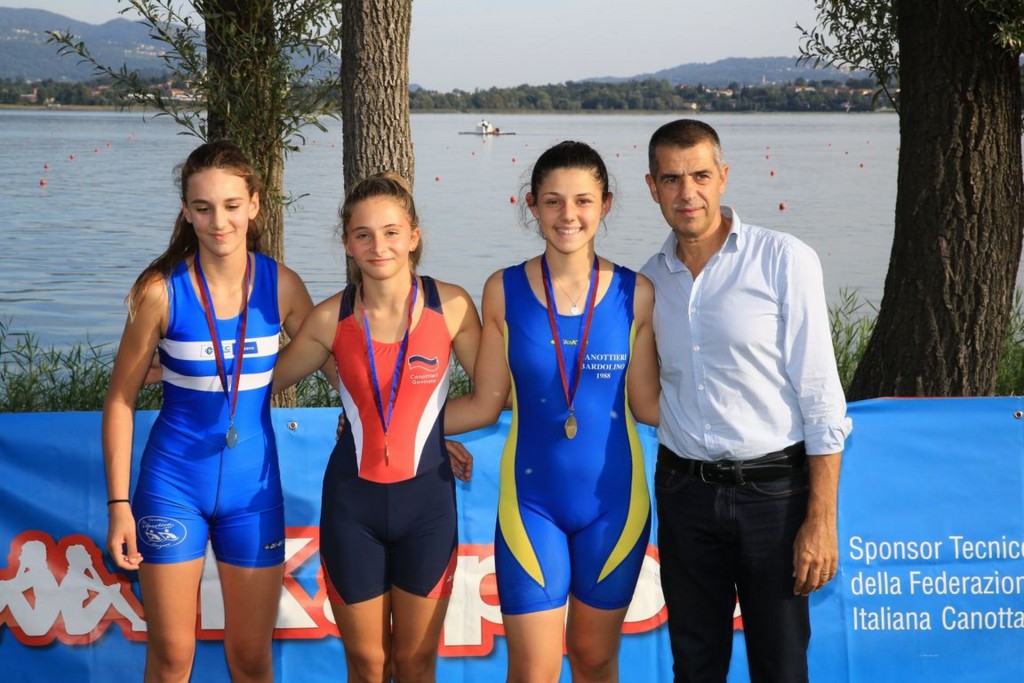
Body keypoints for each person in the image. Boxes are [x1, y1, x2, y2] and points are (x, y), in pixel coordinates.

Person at [102, 140, 324, 682]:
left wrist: (426, 434)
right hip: (172, 486)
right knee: (172, 657)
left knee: (250, 658)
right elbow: (120, 400)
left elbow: (345, 371)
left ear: (254, 205)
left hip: (253, 493)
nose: (217, 220)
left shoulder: (283, 286)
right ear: (186, 212)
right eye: (202, 208)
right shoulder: (161, 292)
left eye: (230, 205)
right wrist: (118, 505)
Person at [640, 118, 852, 683]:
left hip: (775, 497)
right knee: (695, 666)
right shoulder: (646, 283)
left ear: (724, 177)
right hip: (684, 494)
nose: (688, 193)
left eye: (701, 175)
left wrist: (821, 518)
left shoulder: (784, 259)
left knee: (781, 667)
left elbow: (821, 398)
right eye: (672, 179)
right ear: (652, 187)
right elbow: (640, 392)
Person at [445, 140, 660, 682]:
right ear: (532, 206)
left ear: (605, 205)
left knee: (593, 660)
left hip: (616, 508)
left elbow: (649, 406)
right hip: (531, 506)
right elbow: (485, 403)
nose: (569, 215)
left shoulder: (637, 295)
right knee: (534, 671)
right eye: (554, 201)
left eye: (583, 201)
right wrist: (383, 424)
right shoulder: (502, 290)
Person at [270, 172, 480, 683]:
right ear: (347, 243)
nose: (378, 245)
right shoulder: (327, 319)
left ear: (414, 235)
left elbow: (493, 402)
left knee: (413, 664)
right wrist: (175, 367)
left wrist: (427, 430)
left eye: (391, 231)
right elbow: (259, 381)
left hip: (427, 507)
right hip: (352, 508)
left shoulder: (450, 307)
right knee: (367, 666)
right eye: (363, 234)